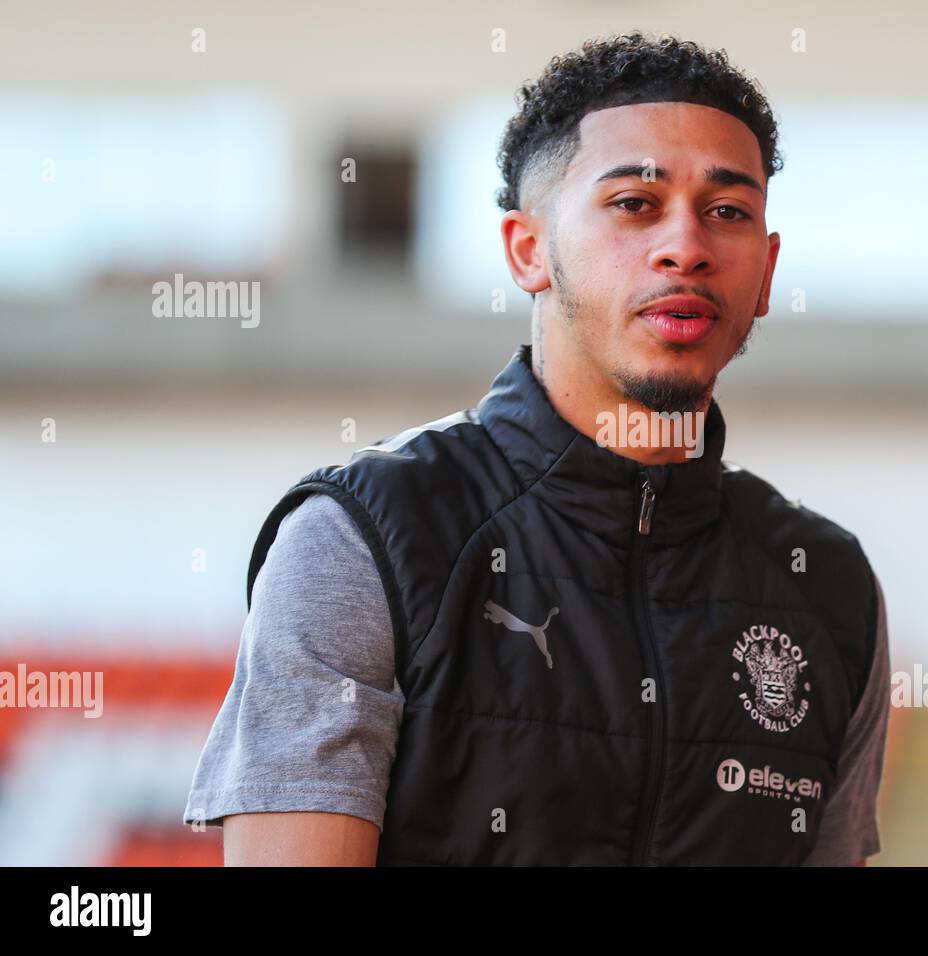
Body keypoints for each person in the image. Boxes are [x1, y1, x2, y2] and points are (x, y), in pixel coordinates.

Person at [183, 31, 891, 866]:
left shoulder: (828, 586)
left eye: (727, 212)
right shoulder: (363, 540)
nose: (686, 246)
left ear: (766, 274)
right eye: (634, 203)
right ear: (527, 250)